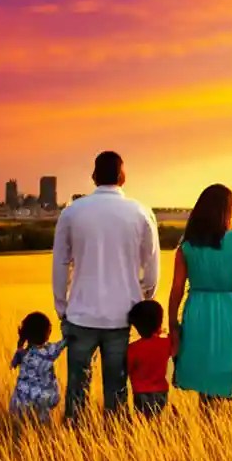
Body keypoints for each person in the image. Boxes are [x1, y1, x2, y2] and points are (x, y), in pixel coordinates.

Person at [53, 151, 160, 420]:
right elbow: (152, 266)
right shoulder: (141, 212)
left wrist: (62, 307)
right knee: (117, 391)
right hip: (122, 316)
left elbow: (61, 262)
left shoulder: (72, 212)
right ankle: (113, 443)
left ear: (94, 176)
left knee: (77, 391)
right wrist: (144, 299)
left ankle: (74, 444)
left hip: (80, 314)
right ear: (123, 177)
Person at [169, 184, 232, 404]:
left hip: (197, 313)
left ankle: (207, 429)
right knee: (225, 377)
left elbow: (176, 289)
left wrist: (173, 325)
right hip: (230, 314)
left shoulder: (187, 246)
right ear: (227, 211)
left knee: (204, 379)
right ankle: (220, 432)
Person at [10, 311, 68, 422]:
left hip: (19, 401)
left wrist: (20, 345)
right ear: (47, 333)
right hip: (40, 401)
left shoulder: (22, 353)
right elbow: (64, 342)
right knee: (43, 429)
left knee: (20, 430)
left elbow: (13, 364)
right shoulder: (48, 351)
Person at [127, 299, 174, 417]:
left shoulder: (133, 348)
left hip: (140, 392)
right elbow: (176, 345)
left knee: (144, 421)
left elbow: (126, 370)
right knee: (158, 421)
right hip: (162, 391)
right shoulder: (166, 344)